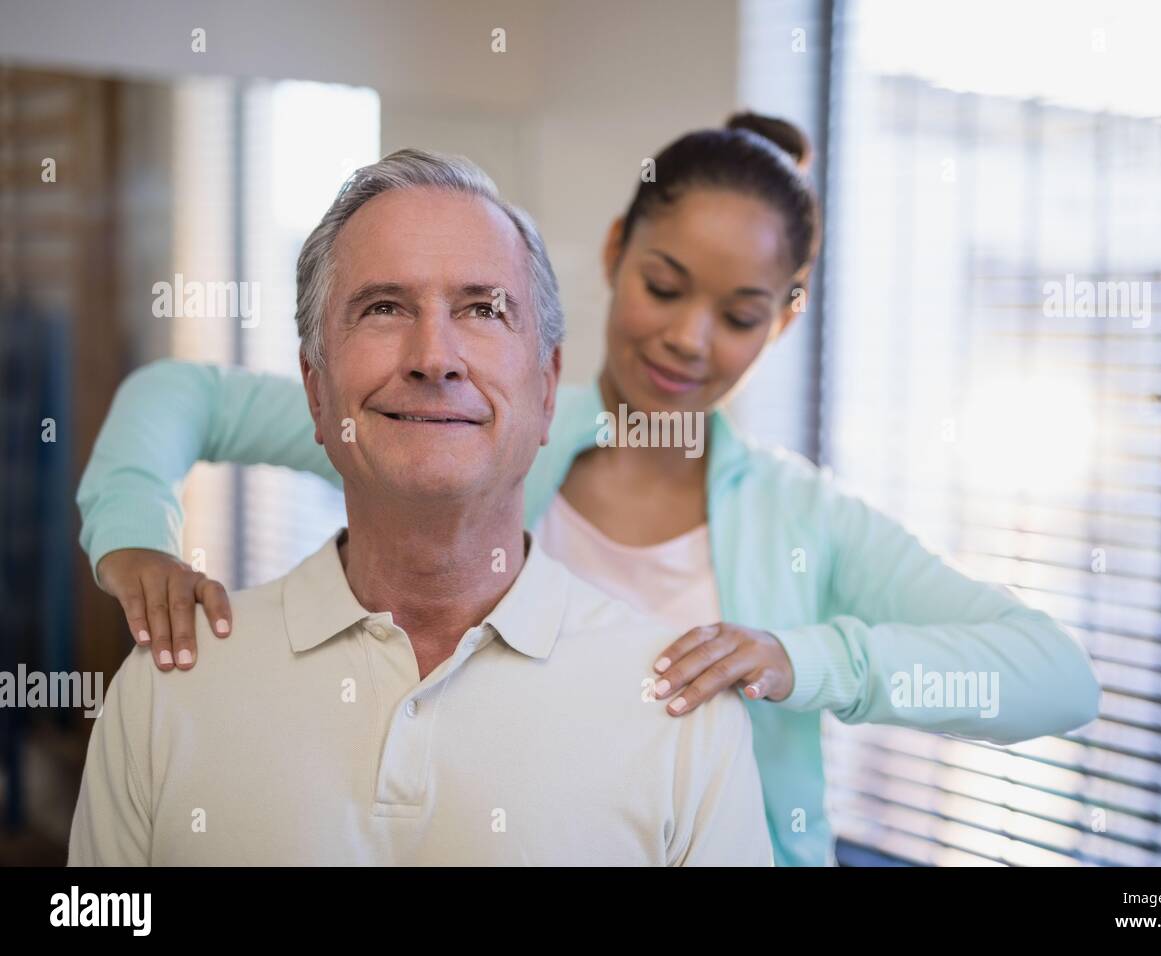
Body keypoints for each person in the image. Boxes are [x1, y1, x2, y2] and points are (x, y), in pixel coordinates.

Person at [77, 114, 1102, 867]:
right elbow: (185, 394)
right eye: (664, 285)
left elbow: (1056, 674)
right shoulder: (466, 418)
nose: (689, 338)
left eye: (741, 313)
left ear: (781, 321)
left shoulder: (804, 522)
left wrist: (804, 657)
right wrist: (132, 540)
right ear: (614, 252)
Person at [68, 149, 772, 866]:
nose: (434, 356)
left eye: (483, 309)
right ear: (315, 389)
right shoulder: (168, 689)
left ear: (548, 386)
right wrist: (131, 540)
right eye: (383, 308)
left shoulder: (685, 716)